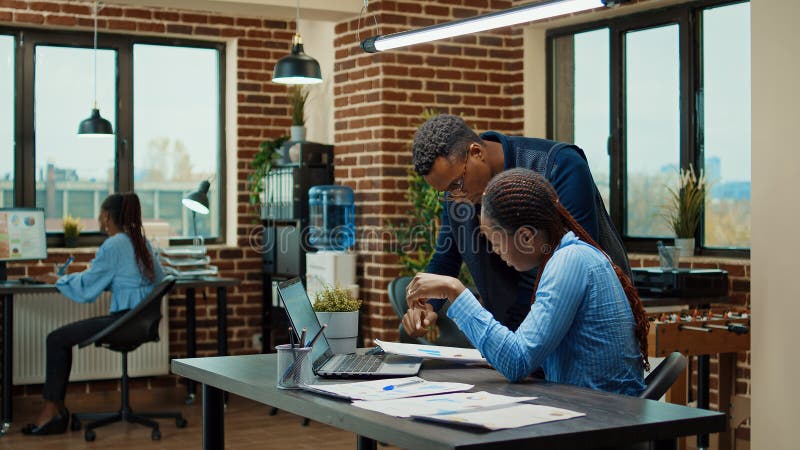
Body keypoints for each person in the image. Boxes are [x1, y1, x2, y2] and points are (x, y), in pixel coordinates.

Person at [406, 169, 648, 395]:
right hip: (595, 408)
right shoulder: (572, 255)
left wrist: (454, 290)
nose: (495, 251)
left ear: (525, 236)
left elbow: (517, 361)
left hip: (601, 420)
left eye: (496, 242)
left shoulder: (568, 262)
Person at [403, 114, 630, 337]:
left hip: (584, 339)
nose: (456, 197)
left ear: (476, 153)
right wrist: (427, 305)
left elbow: (562, 267)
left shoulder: (559, 166)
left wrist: (511, 343)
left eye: (457, 185)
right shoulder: (458, 195)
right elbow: (446, 258)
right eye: (446, 193)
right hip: (518, 341)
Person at [22, 193, 164, 436]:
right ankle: (54, 410)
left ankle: (50, 411)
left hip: (123, 321)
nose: (99, 218)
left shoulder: (114, 244)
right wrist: (116, 283)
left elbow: (87, 287)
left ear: (107, 216)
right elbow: (159, 279)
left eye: (100, 213)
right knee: (60, 339)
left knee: (56, 339)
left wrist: (58, 279)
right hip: (140, 322)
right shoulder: (140, 241)